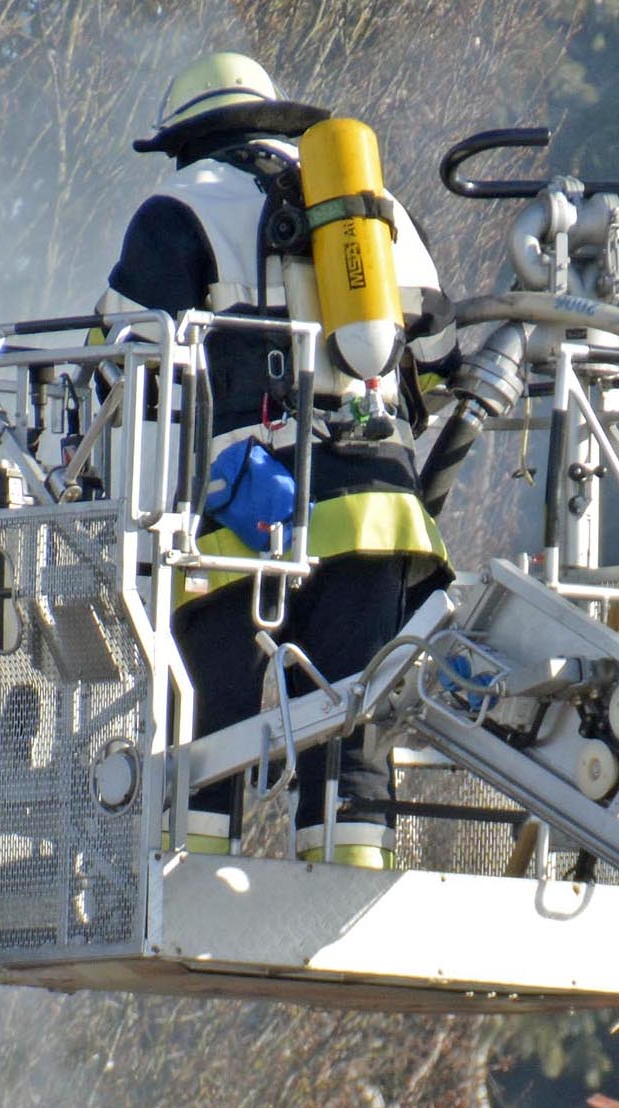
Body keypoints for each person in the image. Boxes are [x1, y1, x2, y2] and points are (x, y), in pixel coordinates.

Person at [102, 53, 457, 868]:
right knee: (348, 714)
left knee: (207, 709)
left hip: (241, 518)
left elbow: (114, 359)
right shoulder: (377, 211)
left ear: (189, 139)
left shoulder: (178, 207)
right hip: (379, 512)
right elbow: (438, 359)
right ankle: (347, 863)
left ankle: (185, 869)